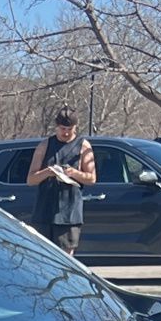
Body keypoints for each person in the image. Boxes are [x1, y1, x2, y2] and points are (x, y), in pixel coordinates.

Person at [27, 106, 95, 254]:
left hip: (69, 215)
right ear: (56, 127)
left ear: (75, 127)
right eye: (62, 128)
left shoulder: (83, 146)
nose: (65, 132)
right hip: (44, 212)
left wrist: (74, 173)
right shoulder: (44, 145)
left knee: (66, 260)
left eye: (69, 129)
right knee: (42, 256)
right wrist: (47, 172)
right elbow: (31, 179)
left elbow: (91, 179)